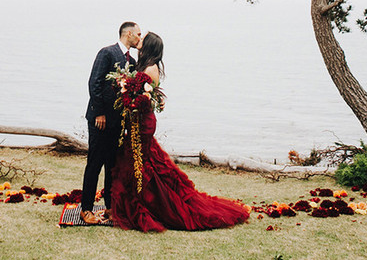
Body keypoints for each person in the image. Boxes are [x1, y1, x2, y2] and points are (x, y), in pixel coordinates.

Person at [110, 32, 251, 232]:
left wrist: (129, 97)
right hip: (138, 120)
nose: (139, 40)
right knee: (140, 161)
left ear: (149, 45)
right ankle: (142, 198)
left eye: (143, 38)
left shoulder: (150, 69)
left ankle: (148, 204)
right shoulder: (144, 65)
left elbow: (144, 98)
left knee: (142, 162)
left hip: (143, 122)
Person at [80, 21, 142, 225]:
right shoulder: (106, 53)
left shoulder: (131, 61)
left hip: (117, 122)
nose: (139, 38)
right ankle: (86, 209)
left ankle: (109, 207)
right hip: (100, 120)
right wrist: (99, 113)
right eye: (138, 35)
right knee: (95, 163)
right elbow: (94, 82)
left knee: (112, 166)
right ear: (129, 34)